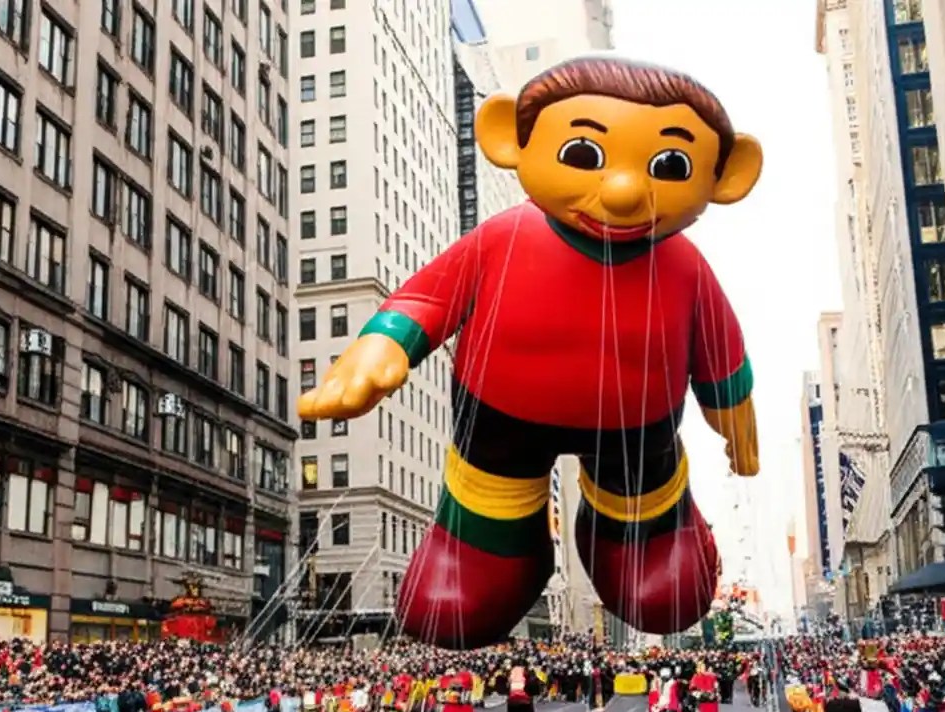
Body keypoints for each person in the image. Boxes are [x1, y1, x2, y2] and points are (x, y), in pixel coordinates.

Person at [299, 54, 764, 649]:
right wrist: (382, 342)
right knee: (461, 597)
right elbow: (426, 299)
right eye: (583, 154)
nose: (623, 191)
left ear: (727, 176)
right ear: (508, 141)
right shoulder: (503, 237)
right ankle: (490, 549)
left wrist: (734, 416)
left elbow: (722, 354)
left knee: (663, 590)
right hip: (500, 429)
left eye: (668, 165)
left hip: (639, 437)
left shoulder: (684, 268)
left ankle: (642, 534)